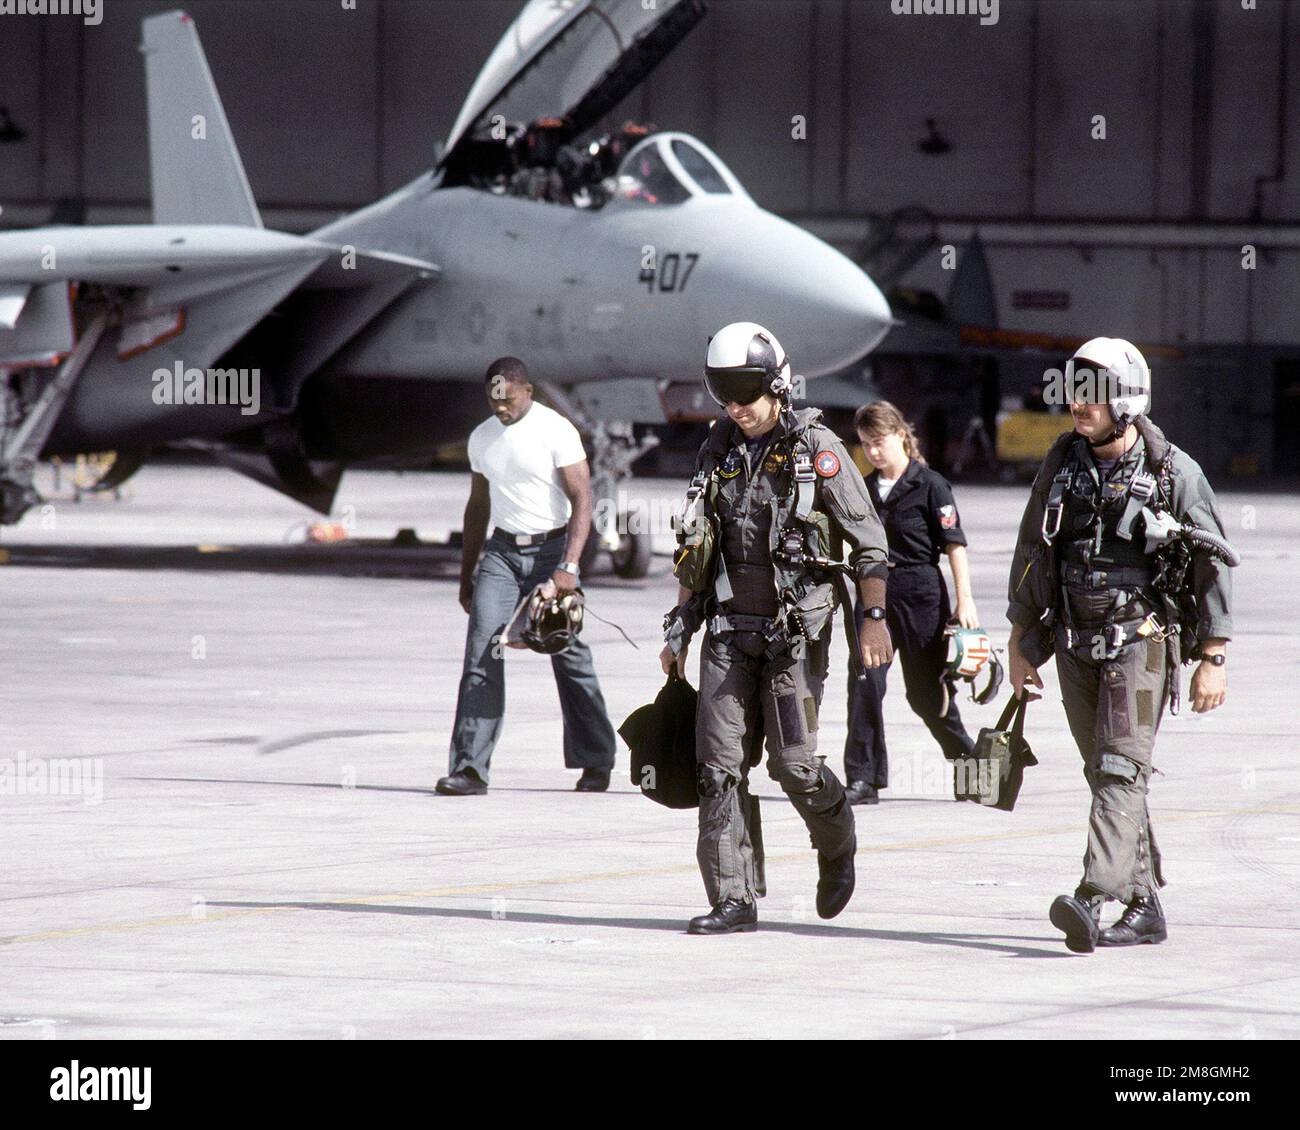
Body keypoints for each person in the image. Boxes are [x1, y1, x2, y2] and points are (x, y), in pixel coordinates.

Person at [660, 323, 893, 935]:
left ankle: (837, 837)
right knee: (718, 767)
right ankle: (733, 898)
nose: (737, 409)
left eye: (747, 396)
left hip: (794, 637)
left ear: (777, 385)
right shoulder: (718, 451)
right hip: (729, 633)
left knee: (794, 764)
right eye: (726, 398)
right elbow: (695, 546)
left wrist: (872, 618)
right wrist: (680, 625)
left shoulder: (818, 451)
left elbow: (869, 541)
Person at [1006, 338, 1233, 952]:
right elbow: (1033, 553)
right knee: (1107, 775)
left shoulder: (1174, 474)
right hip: (1076, 645)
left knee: (1117, 769)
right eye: (1076, 391)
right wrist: (1020, 639)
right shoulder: (1062, 466)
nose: (1080, 404)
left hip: (1140, 643)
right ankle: (1144, 905)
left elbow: (1213, 566)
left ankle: (1090, 893)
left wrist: (1212, 657)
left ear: (1126, 400)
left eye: (1095, 394)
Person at [438, 357, 617, 796]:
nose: (500, 408)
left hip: (553, 547)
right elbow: (477, 507)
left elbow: (582, 499)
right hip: (501, 552)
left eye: (508, 399)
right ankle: (469, 769)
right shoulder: (482, 438)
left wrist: (569, 567)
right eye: (493, 400)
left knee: (567, 651)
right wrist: (467, 576)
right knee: (482, 651)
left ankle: (596, 759)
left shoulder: (556, 430)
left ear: (528, 392)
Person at [843, 401, 979, 804]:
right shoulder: (862, 490)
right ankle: (863, 779)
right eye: (865, 444)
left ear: (901, 434)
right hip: (874, 597)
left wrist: (965, 600)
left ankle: (971, 767)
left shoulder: (931, 484)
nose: (872, 452)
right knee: (866, 685)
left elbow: (954, 545)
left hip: (921, 594)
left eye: (878, 442)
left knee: (926, 694)